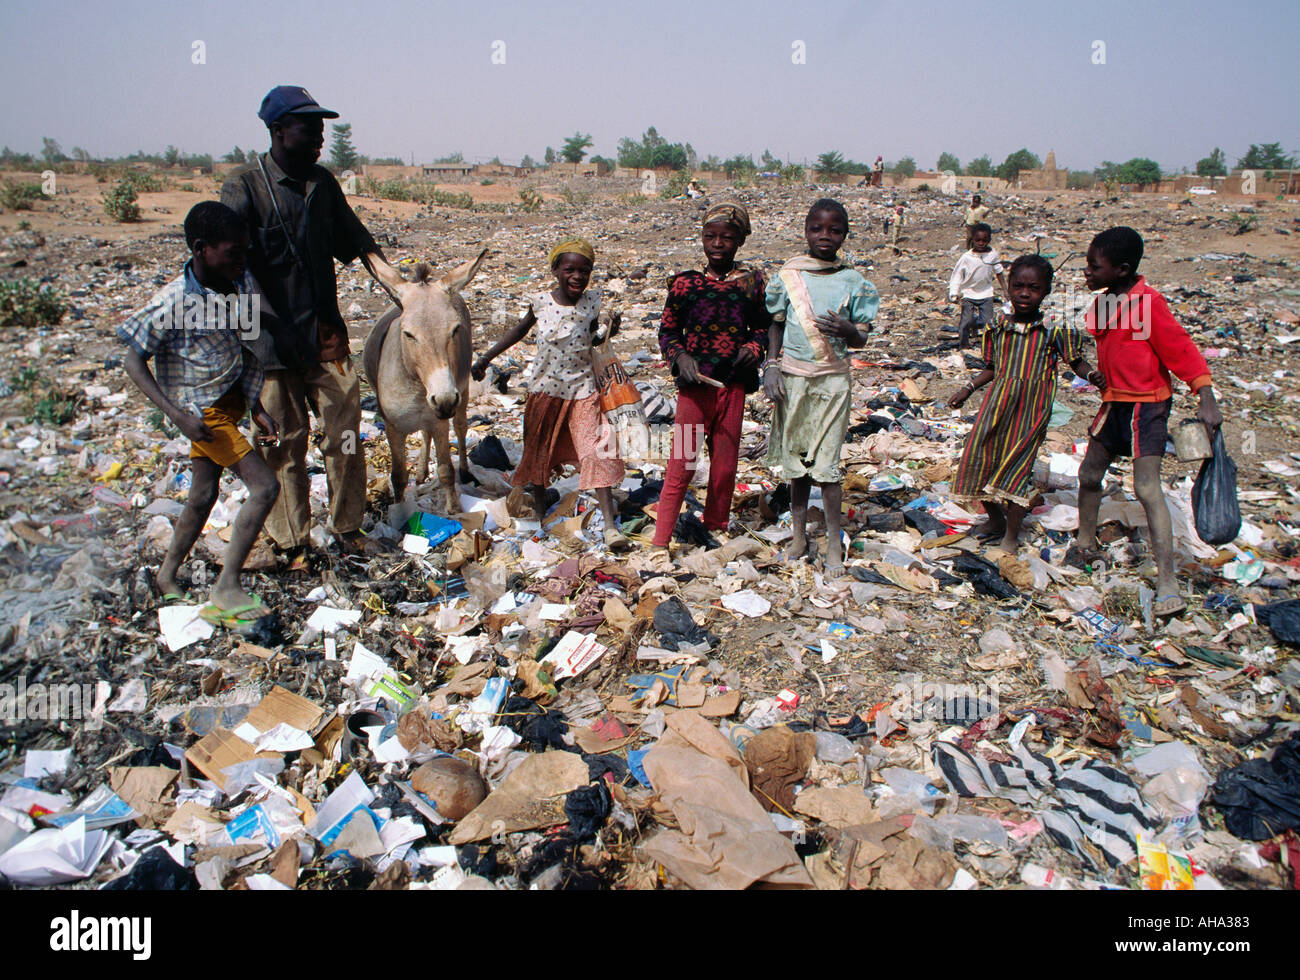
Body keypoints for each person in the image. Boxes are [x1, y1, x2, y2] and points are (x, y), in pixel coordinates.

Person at [221, 86, 391, 566]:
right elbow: (231, 268)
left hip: (324, 336)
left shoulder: (322, 183)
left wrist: (402, 288)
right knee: (283, 445)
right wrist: (260, 328)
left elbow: (357, 240)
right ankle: (292, 540)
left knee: (343, 435)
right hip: (269, 343)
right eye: (308, 128)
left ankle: (347, 526)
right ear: (278, 131)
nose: (319, 137)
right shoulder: (244, 187)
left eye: (321, 128)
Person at [117, 201, 281, 628]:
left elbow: (243, 347)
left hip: (228, 399)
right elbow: (133, 361)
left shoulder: (237, 280)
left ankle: (166, 574)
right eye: (232, 251)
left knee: (203, 495)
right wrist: (177, 416)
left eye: (244, 250)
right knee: (264, 488)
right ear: (200, 248)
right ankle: (226, 584)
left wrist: (257, 406)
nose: (242, 259)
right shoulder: (173, 301)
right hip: (203, 412)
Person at [1071, 227, 1222, 617]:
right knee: (1089, 474)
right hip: (1114, 402)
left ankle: (1167, 579)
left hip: (1147, 406)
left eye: (1094, 266)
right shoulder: (1104, 303)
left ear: (1121, 270)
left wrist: (1204, 395)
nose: (1086, 272)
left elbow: (1181, 349)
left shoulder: (1149, 304)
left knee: (1147, 487)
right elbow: (1107, 341)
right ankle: (1086, 544)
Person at [471, 237, 631, 552]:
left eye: (584, 271)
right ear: (555, 270)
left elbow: (595, 340)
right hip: (545, 391)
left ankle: (611, 527)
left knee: (595, 451)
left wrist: (609, 332)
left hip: (583, 391)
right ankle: (540, 519)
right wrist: (485, 359)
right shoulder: (541, 302)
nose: (577, 276)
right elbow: (518, 331)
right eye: (569, 269)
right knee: (540, 456)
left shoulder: (592, 303)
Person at [948, 254, 1100, 556]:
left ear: (1046, 291)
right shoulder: (997, 325)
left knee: (1018, 471)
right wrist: (967, 389)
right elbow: (992, 366)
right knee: (979, 459)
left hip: (1031, 412)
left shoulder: (1055, 329)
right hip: (997, 406)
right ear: (1008, 289)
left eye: (1033, 288)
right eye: (1018, 286)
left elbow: (1075, 362)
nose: (1025, 293)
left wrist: (1094, 376)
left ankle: (1011, 537)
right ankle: (995, 520)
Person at [764, 199, 878, 575]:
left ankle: (832, 542)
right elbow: (776, 324)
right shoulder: (789, 276)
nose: (825, 236)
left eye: (834, 230)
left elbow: (861, 337)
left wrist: (848, 331)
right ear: (806, 231)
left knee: (827, 466)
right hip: (793, 380)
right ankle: (798, 536)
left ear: (845, 233)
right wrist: (772, 367)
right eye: (817, 229)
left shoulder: (854, 282)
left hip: (832, 383)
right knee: (797, 465)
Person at [653, 203, 769, 552]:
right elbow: (668, 331)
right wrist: (680, 357)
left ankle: (714, 526)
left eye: (727, 238)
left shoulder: (751, 284)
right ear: (702, 239)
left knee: (724, 464)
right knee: (682, 463)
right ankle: (660, 541)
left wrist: (754, 347)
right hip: (694, 390)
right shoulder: (685, 284)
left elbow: (764, 327)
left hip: (731, 387)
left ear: (740, 241)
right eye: (711, 236)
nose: (718, 243)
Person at [947, 223, 1009, 348]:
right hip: (968, 293)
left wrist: (1005, 290)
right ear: (973, 240)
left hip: (986, 293)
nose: (981, 243)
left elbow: (999, 272)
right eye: (978, 240)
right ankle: (963, 345)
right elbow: (957, 275)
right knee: (965, 322)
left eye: (984, 240)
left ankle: (989, 347)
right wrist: (954, 292)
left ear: (989, 240)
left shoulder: (992, 254)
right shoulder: (967, 257)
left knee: (988, 322)